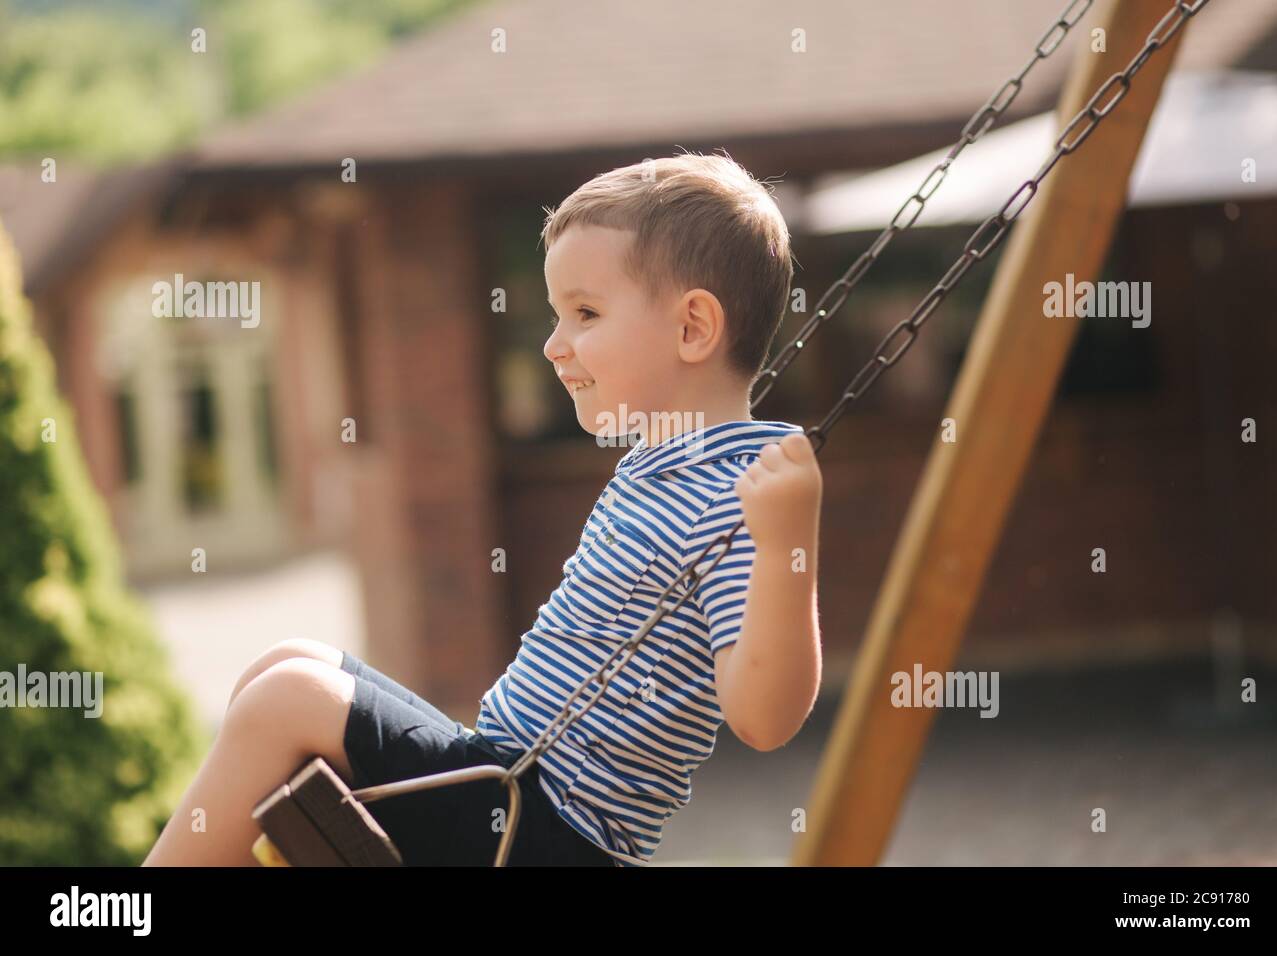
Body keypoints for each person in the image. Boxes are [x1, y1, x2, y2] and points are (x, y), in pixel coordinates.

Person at [142, 151, 823, 867]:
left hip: (548, 829)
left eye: (585, 314)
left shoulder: (741, 496)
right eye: (558, 316)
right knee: (289, 661)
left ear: (692, 329)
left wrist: (787, 549)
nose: (554, 346)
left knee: (289, 697)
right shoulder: (660, 466)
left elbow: (764, 719)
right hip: (503, 780)